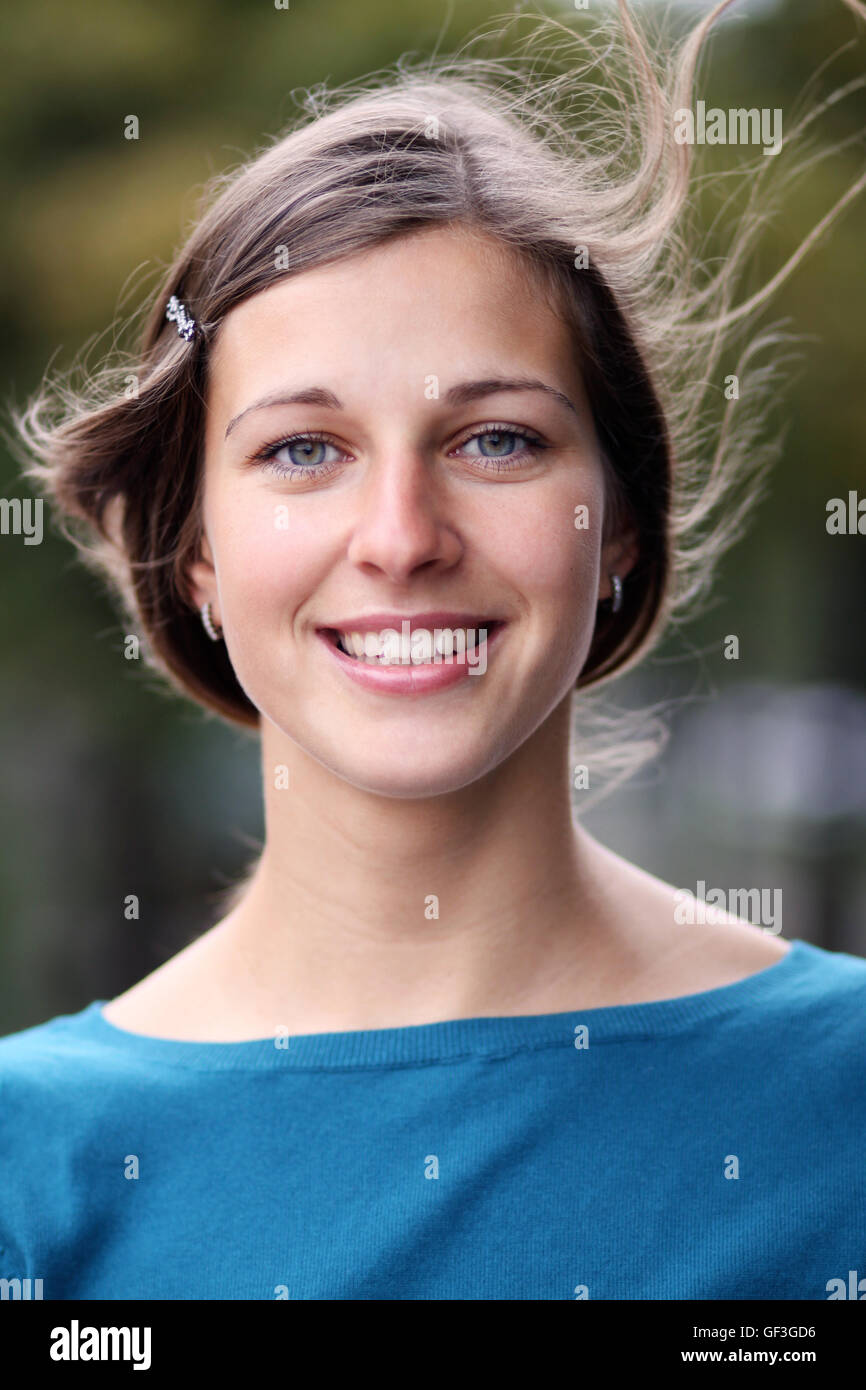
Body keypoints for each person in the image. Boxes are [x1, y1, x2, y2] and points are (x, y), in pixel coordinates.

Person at [2, 0, 865, 1301]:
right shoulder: (30, 1174)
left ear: (618, 522)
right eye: (304, 449)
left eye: (496, 439)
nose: (401, 537)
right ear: (196, 554)